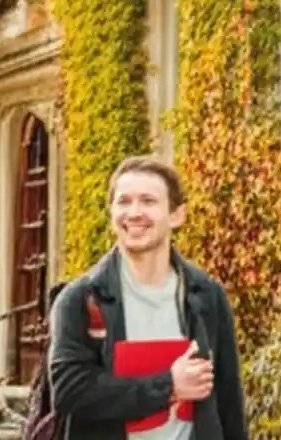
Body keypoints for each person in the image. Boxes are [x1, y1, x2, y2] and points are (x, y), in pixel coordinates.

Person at [47, 155, 248, 439]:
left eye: (148, 201)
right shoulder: (80, 299)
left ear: (177, 215)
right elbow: (69, 391)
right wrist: (169, 386)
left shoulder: (206, 295)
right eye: (124, 201)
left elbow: (229, 400)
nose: (134, 212)